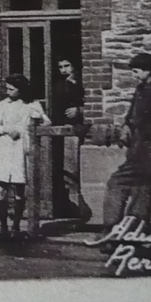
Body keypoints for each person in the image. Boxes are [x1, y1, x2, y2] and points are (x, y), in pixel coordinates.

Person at [101, 52, 151, 229]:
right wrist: (127, 125)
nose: (134, 76)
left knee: (117, 183)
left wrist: (138, 127)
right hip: (139, 147)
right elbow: (131, 114)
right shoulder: (141, 89)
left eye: (136, 72)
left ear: (148, 70)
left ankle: (111, 229)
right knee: (141, 189)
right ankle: (134, 231)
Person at [0, 74, 47, 240]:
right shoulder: (3, 104)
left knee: (19, 186)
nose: (8, 92)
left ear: (21, 90)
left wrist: (37, 117)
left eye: (11, 89)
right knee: (2, 187)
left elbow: (45, 122)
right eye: (7, 88)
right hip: (5, 147)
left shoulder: (32, 104)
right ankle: (3, 227)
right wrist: (6, 129)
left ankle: (16, 227)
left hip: (21, 147)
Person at [50, 58, 90, 221]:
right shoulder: (60, 87)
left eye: (67, 65)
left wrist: (80, 110)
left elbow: (94, 104)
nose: (63, 70)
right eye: (60, 67)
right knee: (70, 171)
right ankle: (75, 211)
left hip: (84, 130)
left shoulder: (85, 82)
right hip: (69, 130)